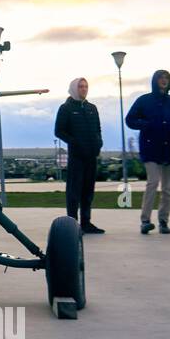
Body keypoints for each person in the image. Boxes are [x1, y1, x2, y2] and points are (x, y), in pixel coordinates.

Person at [125, 69, 170, 234]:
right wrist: (146, 125)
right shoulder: (144, 101)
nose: (164, 80)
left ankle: (163, 220)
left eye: (167, 78)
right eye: (161, 78)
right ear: (155, 80)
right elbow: (130, 119)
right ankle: (145, 220)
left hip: (169, 149)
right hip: (151, 147)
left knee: (167, 188)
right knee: (152, 183)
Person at [54, 76, 104, 233]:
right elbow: (59, 131)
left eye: (86, 86)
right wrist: (74, 142)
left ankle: (86, 223)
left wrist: (98, 142)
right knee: (74, 191)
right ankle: (72, 224)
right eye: (81, 86)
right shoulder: (66, 108)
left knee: (88, 191)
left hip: (91, 156)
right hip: (76, 157)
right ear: (75, 88)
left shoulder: (92, 108)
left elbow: (98, 129)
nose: (84, 89)